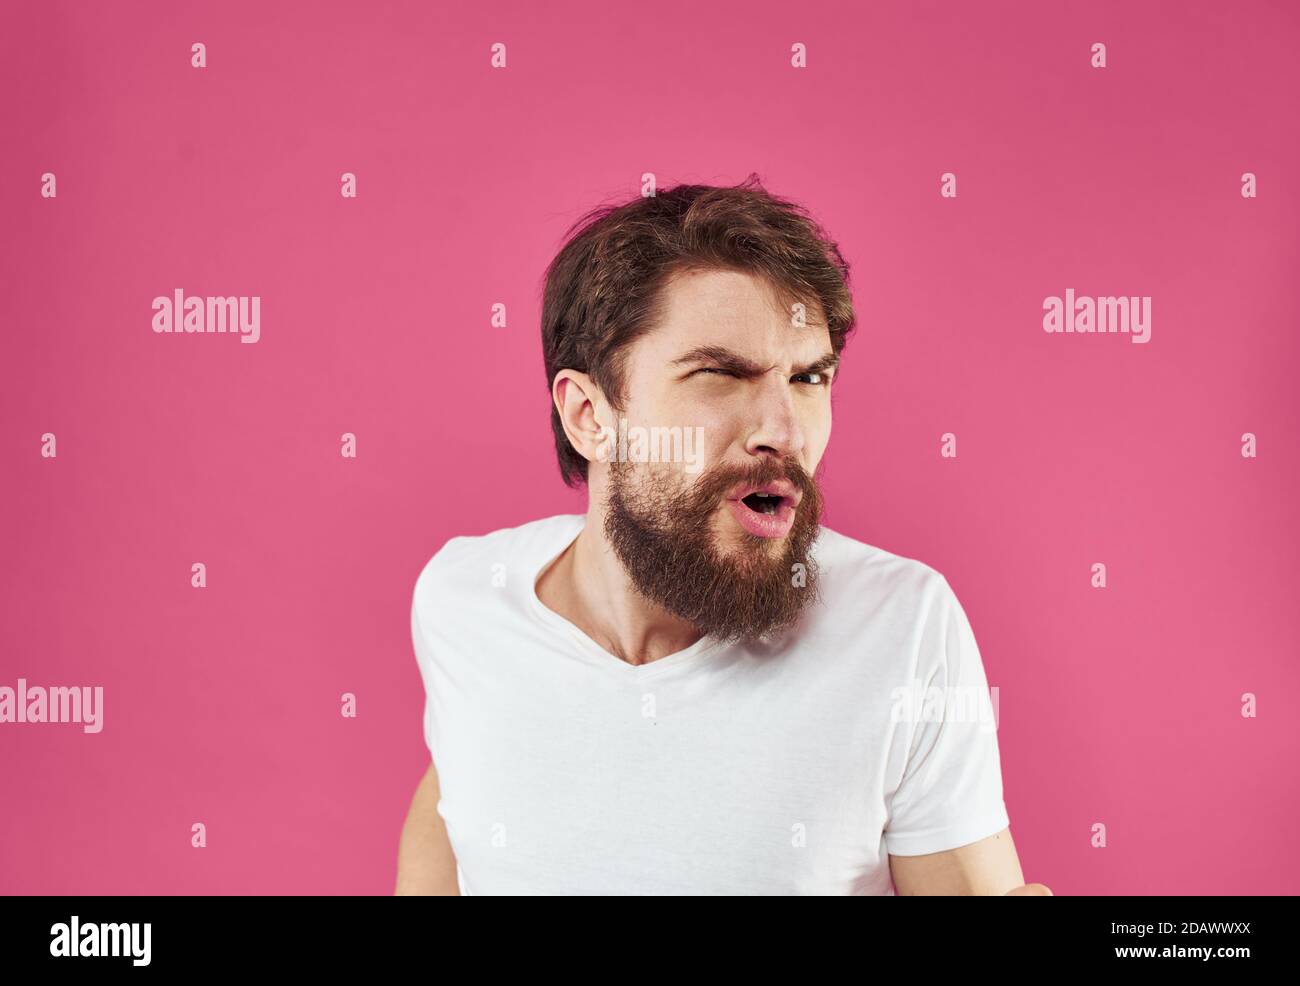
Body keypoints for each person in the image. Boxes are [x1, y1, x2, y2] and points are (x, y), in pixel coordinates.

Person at [395, 175, 1051, 895]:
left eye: (808, 379)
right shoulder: (463, 599)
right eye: (719, 374)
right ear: (590, 415)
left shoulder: (902, 626)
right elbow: (456, 791)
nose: (784, 432)